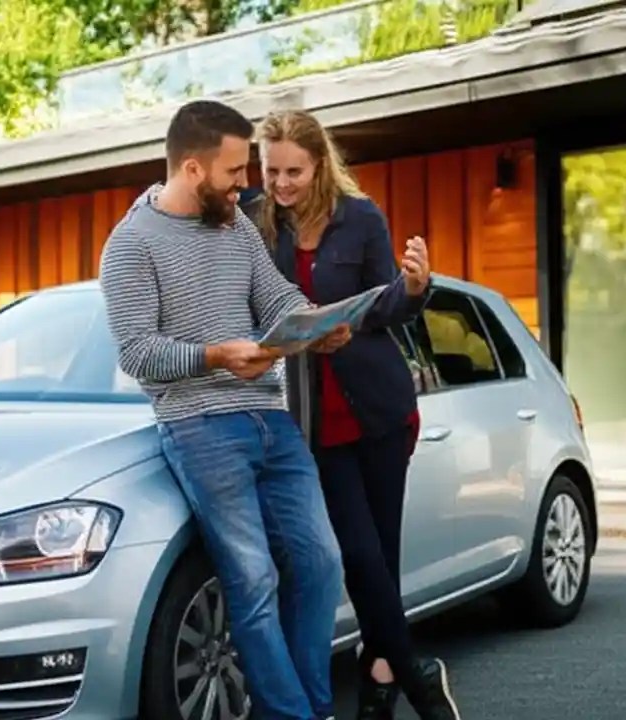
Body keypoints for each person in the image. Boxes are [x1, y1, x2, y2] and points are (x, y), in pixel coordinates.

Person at [98, 99, 352, 720]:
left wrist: (314, 326)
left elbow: (275, 297)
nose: (248, 185)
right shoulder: (130, 246)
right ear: (192, 169)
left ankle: (306, 707)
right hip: (201, 429)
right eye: (235, 171)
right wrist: (214, 355)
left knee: (320, 564)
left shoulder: (235, 228)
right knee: (254, 580)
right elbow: (137, 352)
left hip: (272, 421)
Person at [242, 108, 462, 720]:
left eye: (294, 171)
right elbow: (252, 303)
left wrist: (414, 288)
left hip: (379, 407)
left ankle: (378, 684)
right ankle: (420, 677)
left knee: (380, 557)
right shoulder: (256, 219)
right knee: (358, 556)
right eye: (272, 170)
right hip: (314, 418)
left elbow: (387, 304)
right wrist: (298, 334)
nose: (282, 184)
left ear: (319, 165)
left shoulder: (360, 217)